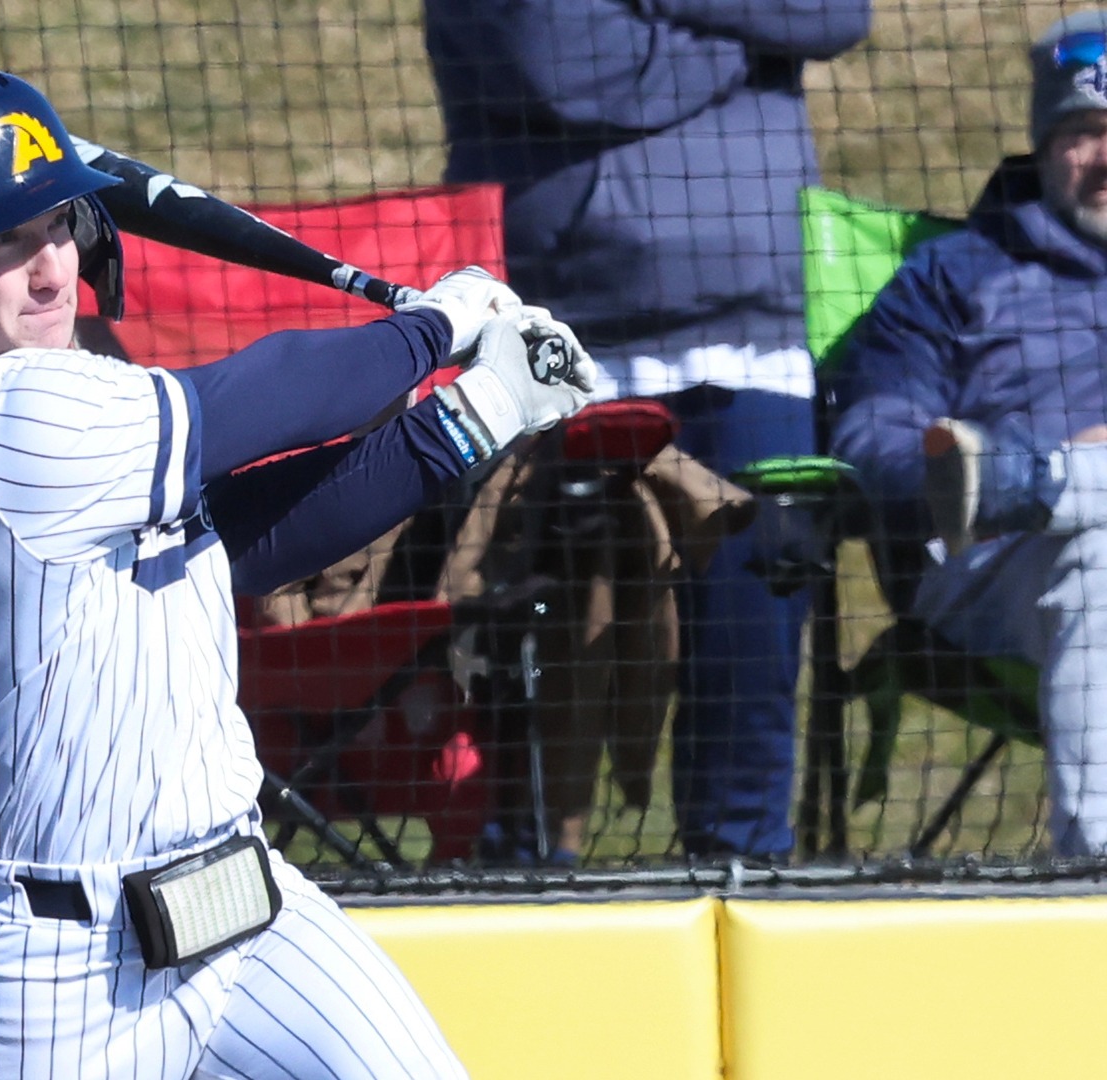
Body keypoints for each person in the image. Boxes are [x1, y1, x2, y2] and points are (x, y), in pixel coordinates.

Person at [0, 68, 597, 1077]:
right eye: (1, 242)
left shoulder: (77, 396)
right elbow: (258, 402)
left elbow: (238, 541)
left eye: (59, 224)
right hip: (52, 981)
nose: (51, 270)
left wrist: (476, 417)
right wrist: (436, 327)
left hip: (245, 913)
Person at [424, 0, 873, 861]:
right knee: (539, 630)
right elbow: (555, 56)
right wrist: (746, 49)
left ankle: (740, 867)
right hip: (552, 343)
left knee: (754, 615)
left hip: (756, 339)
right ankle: (520, 882)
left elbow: (831, 13)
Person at [832, 11, 1107, 858]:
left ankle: (1057, 476)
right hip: (1000, 566)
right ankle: (1096, 878)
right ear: (1043, 142)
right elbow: (870, 433)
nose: (1103, 156)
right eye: (1081, 132)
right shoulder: (956, 274)